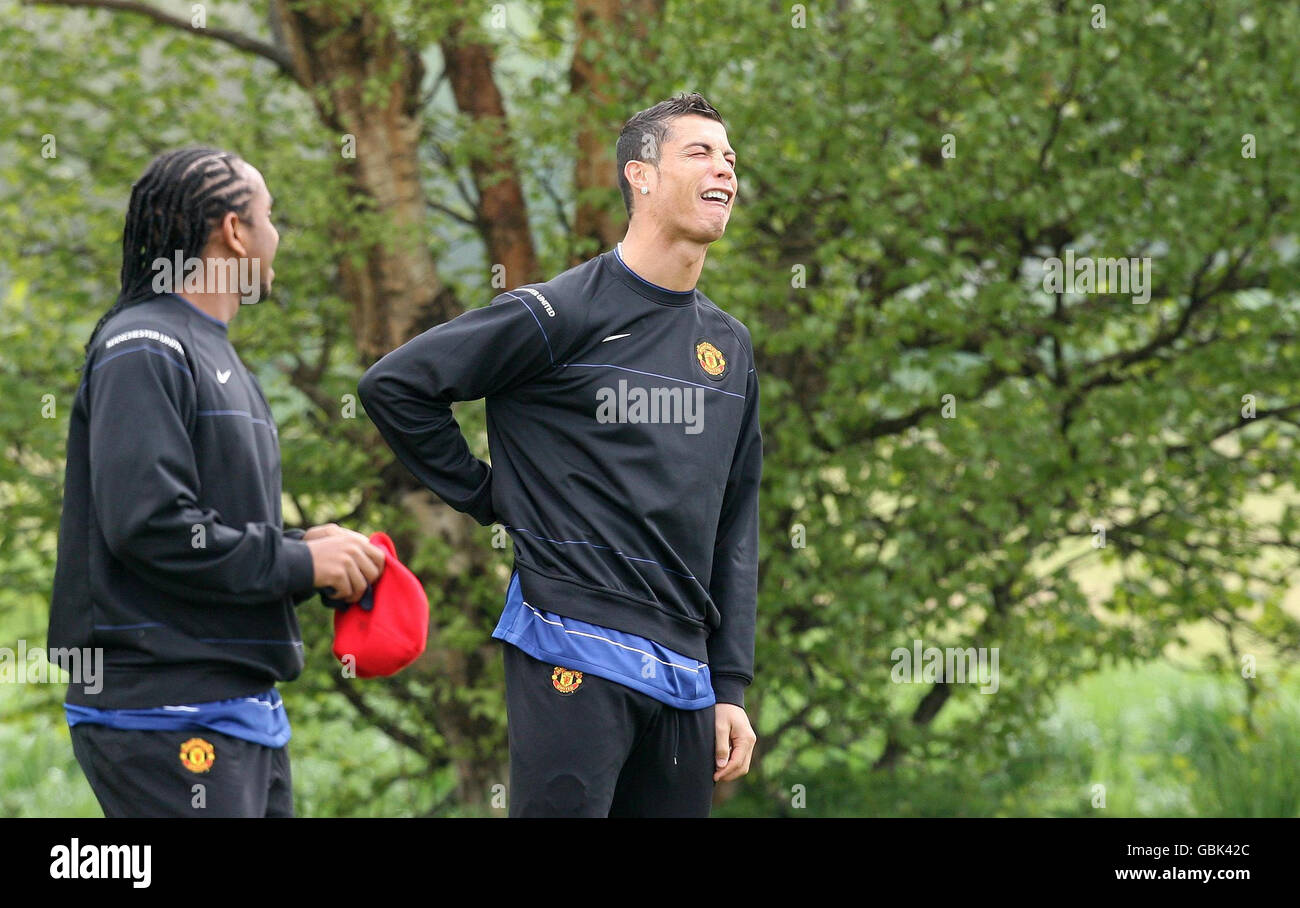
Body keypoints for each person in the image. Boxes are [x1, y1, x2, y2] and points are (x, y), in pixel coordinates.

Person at [359, 92, 761, 817]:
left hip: (686, 677)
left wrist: (729, 686)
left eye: (730, 157)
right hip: (571, 642)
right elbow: (398, 385)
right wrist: (488, 496)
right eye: (700, 152)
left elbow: (737, 521)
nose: (725, 169)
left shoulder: (729, 348)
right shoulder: (563, 311)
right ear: (640, 176)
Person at [49, 147, 386, 818]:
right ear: (235, 231)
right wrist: (296, 559)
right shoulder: (144, 345)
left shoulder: (211, 349)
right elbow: (150, 525)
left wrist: (310, 551)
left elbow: (201, 521)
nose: (278, 234)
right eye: (270, 215)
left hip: (234, 709)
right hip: (165, 713)